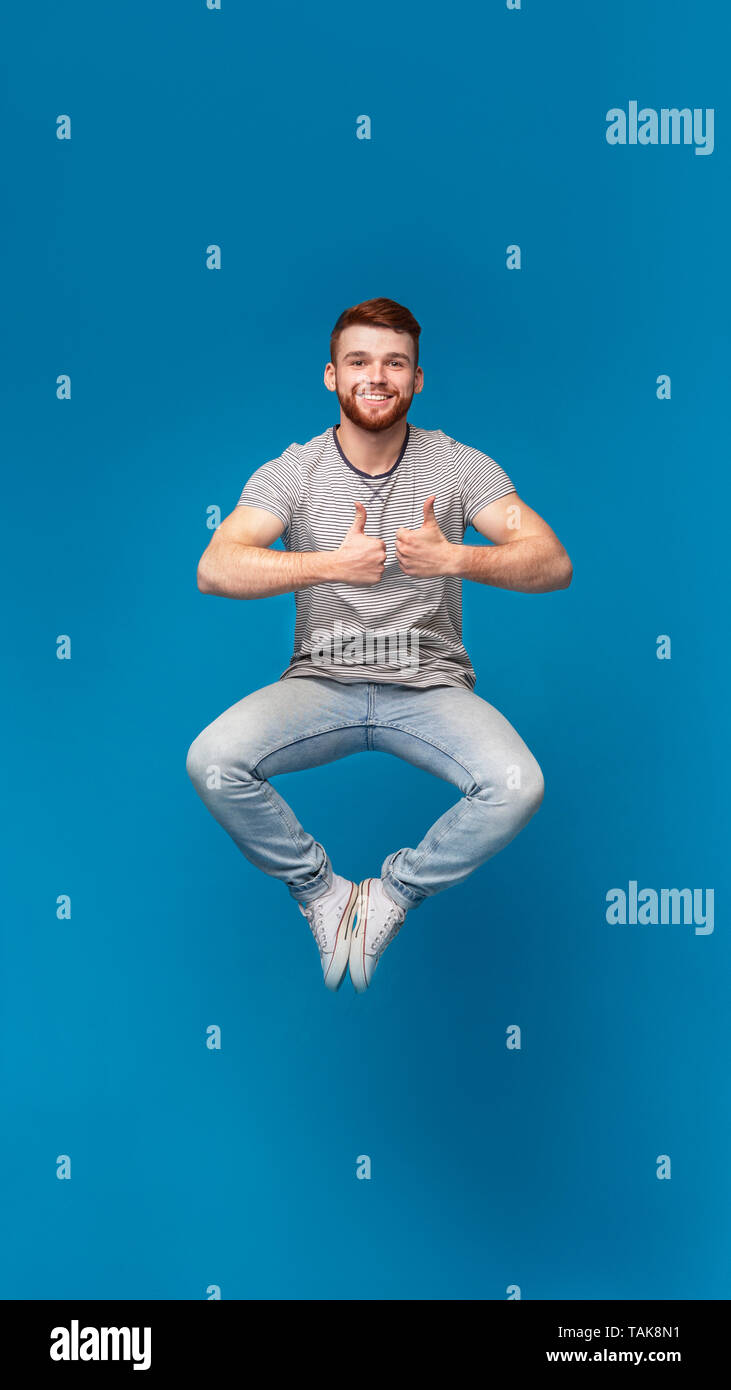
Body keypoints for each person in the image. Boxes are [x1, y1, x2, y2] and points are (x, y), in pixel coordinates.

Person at [186, 297, 572, 994]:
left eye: (394, 363)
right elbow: (215, 568)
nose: (376, 375)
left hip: (429, 689)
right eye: (358, 361)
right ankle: (323, 894)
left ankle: (387, 899)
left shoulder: (457, 467)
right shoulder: (293, 472)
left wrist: (455, 559)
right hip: (321, 685)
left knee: (518, 786)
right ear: (331, 376)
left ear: (416, 380)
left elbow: (551, 562)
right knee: (214, 761)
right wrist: (327, 564)